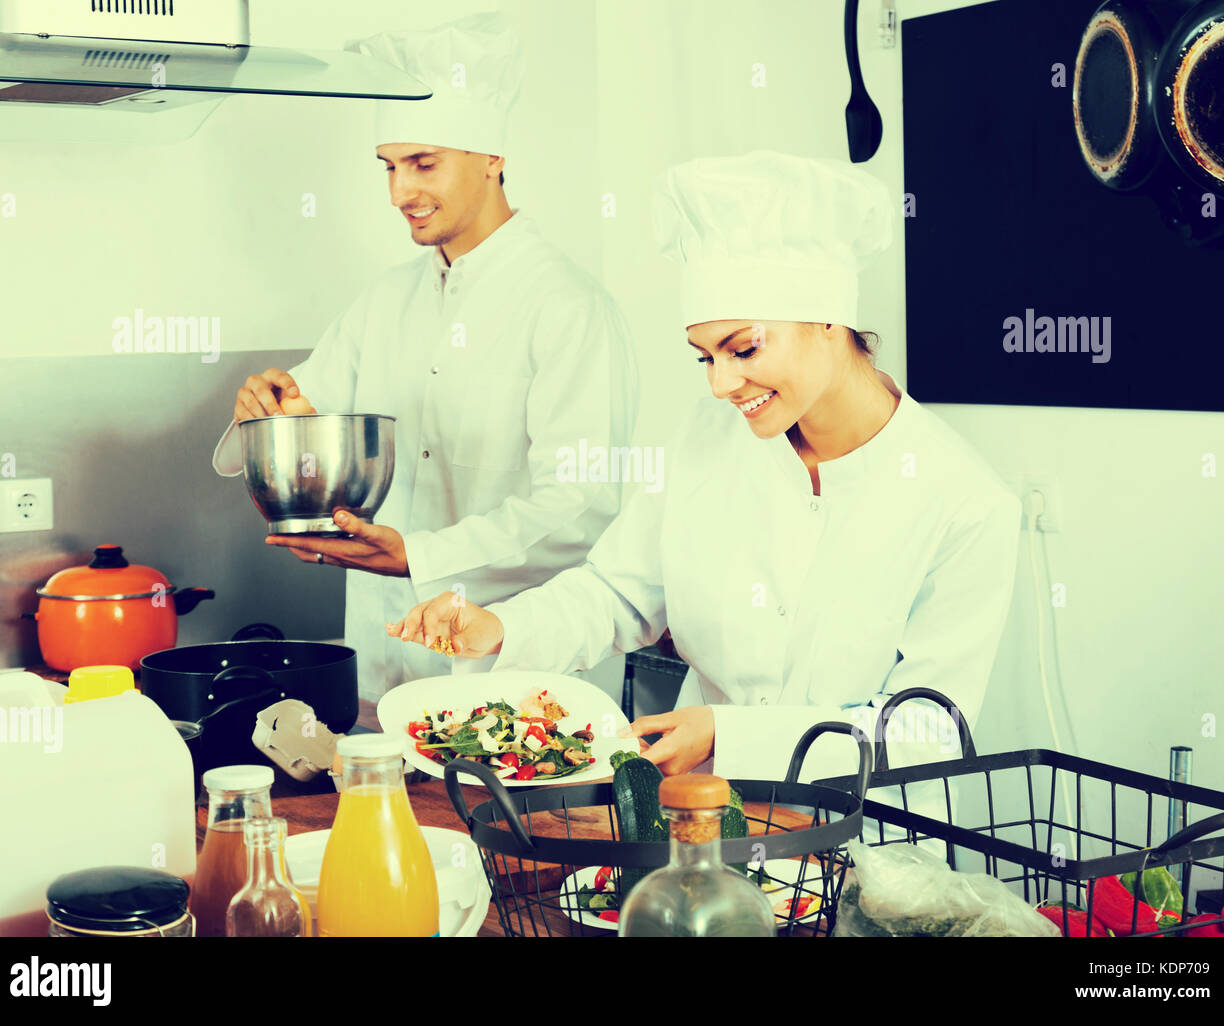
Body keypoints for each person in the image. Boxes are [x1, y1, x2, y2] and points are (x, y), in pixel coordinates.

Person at [388, 150, 1022, 786]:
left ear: (829, 317)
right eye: (705, 357)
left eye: (743, 349)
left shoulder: (965, 502)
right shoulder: (707, 434)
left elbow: (928, 731)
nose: (722, 384)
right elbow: (619, 591)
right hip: (701, 824)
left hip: (869, 849)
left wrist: (730, 733)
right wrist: (502, 626)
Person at [212, 14, 639, 701]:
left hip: (522, 682)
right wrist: (272, 415)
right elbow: (308, 430)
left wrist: (421, 556)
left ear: (493, 157)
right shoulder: (386, 299)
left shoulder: (570, 306)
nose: (398, 193)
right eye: (388, 166)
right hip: (386, 674)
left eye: (422, 164)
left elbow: (581, 507)